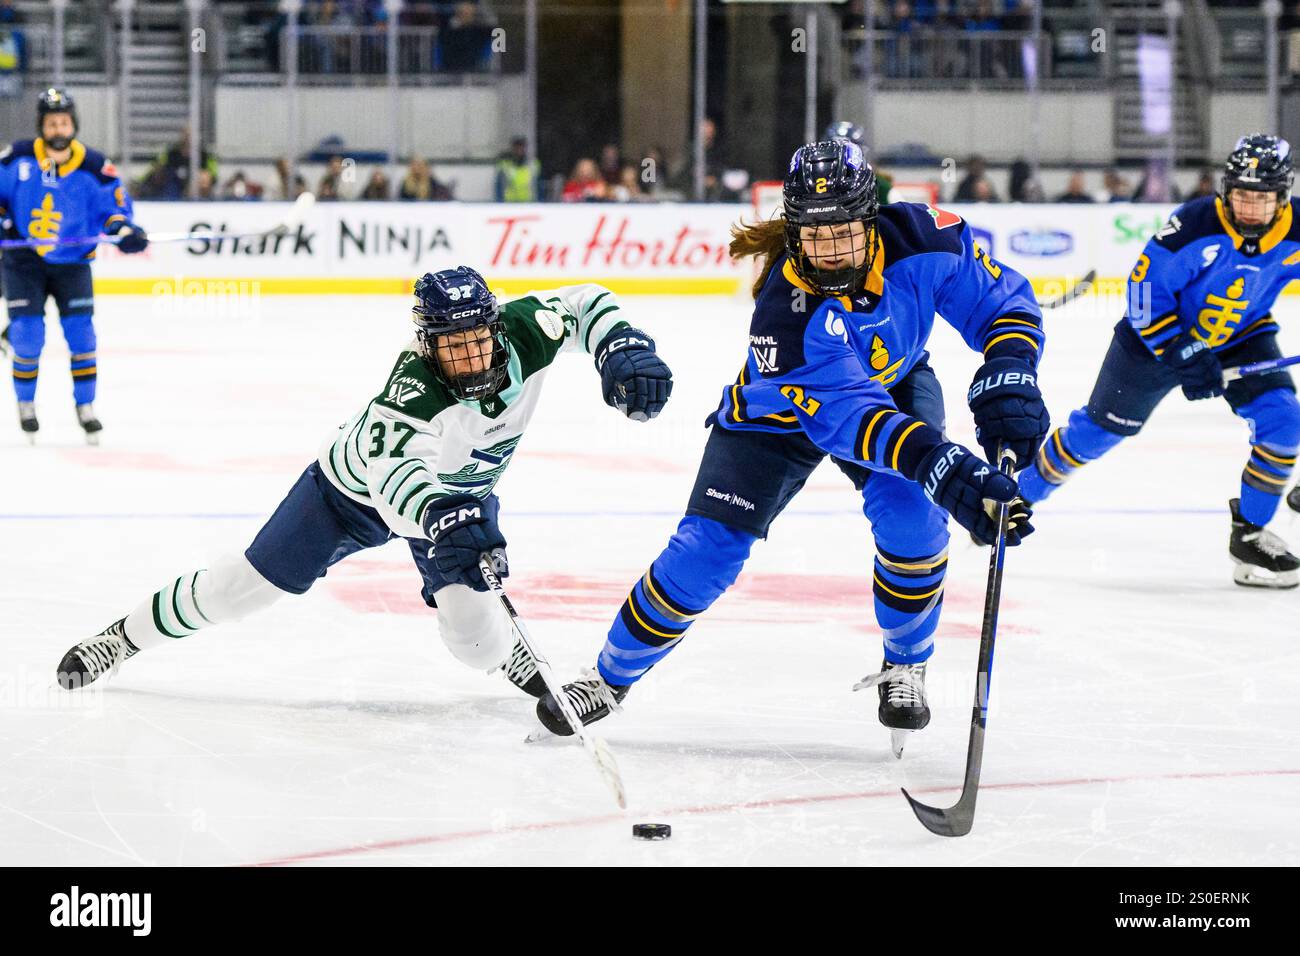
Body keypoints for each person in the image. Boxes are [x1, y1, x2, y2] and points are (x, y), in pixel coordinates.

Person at [533, 141, 1048, 753]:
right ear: (795, 232)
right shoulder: (785, 315)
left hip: (896, 381)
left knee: (914, 520)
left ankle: (906, 663)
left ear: (871, 219)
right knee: (706, 552)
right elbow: (854, 420)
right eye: (814, 236)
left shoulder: (923, 239)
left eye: (844, 234)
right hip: (781, 411)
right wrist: (946, 468)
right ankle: (608, 676)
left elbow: (1000, 301)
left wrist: (1010, 369)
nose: (829, 253)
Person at [55, 266, 675, 693]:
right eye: (449, 346)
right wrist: (442, 517)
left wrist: (620, 345)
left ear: (494, 325)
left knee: (476, 649)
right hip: (349, 497)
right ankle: (122, 639)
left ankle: (501, 643)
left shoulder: (527, 330)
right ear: (427, 345)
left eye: (476, 340)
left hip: (457, 500)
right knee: (239, 589)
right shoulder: (410, 389)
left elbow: (586, 300)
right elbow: (392, 476)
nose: (468, 358)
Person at [1019, 134, 1300, 589]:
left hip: (1241, 334)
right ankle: (1017, 494)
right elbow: (1144, 293)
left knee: (1284, 422)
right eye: (1242, 197)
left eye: (1261, 200)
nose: (1249, 210)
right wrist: (1182, 349)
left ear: (1283, 198)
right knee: (1097, 432)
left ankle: (1249, 534)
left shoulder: (1298, 226)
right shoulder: (1194, 224)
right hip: (1155, 341)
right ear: (1225, 191)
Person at [0, 88, 149, 442]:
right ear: (41, 126)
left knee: (82, 336)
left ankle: (86, 408)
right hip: (23, 261)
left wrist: (124, 230)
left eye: (64, 122)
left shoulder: (95, 167)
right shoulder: (16, 159)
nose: (58, 129)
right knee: (27, 336)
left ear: (74, 125)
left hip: (73, 263)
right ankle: (26, 406)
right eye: (51, 123)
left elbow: (115, 209)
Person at [494, 136, 539, 202]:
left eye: (522, 147)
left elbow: (538, 185)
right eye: (517, 147)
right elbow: (498, 187)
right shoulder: (504, 165)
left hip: (528, 203)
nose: (519, 150)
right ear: (512, 149)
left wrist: (538, 203)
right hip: (509, 204)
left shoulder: (533, 165)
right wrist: (500, 203)